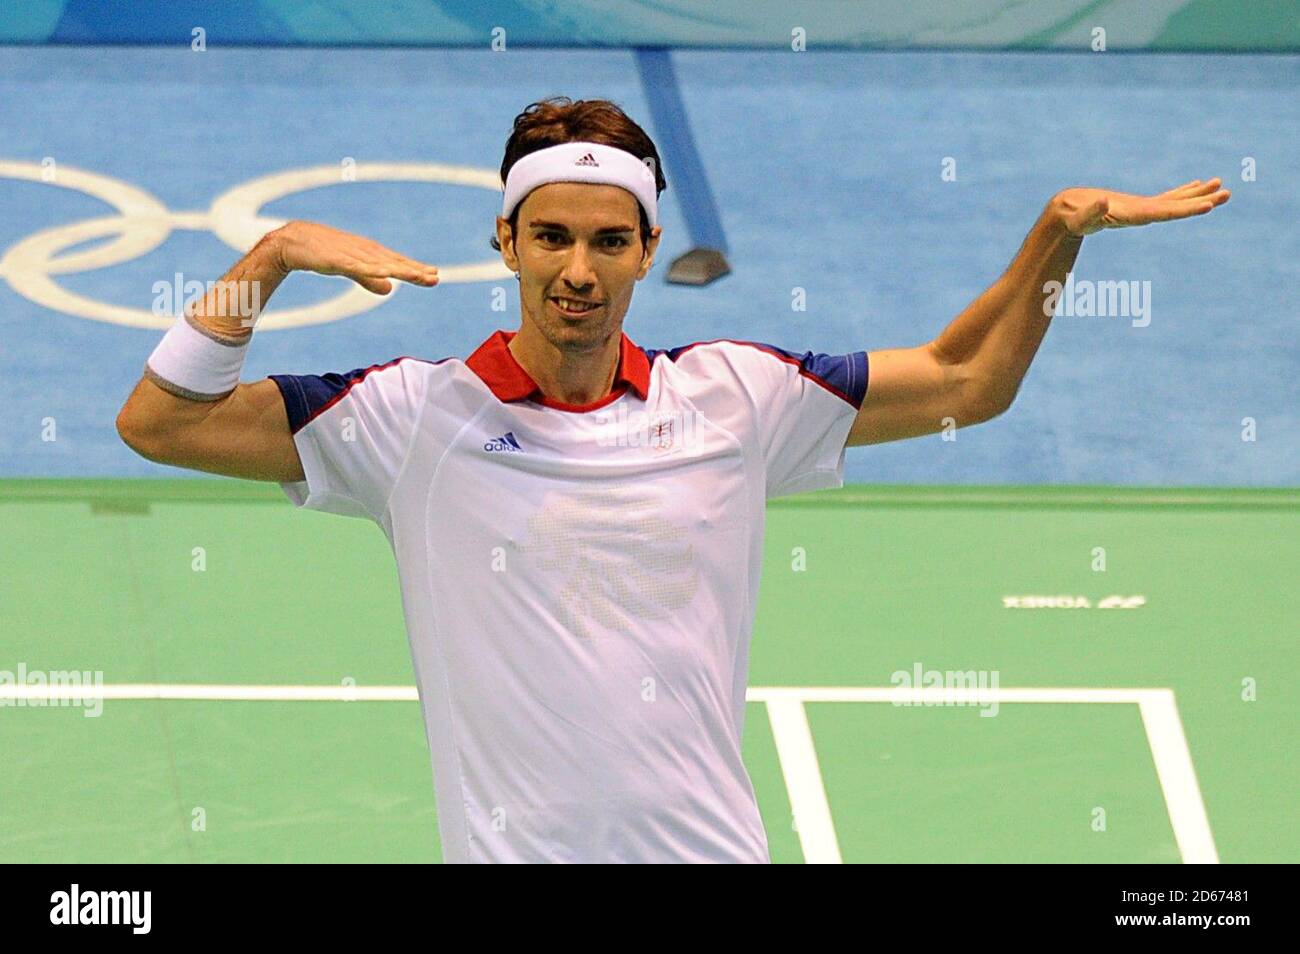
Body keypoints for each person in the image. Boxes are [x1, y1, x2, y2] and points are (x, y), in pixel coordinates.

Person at [115, 97, 1229, 863]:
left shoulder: (738, 398)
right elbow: (159, 422)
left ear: (648, 249)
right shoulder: (410, 419)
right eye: (550, 236)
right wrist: (266, 262)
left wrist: (1057, 233)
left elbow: (962, 381)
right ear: (504, 240)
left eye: (610, 241)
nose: (578, 270)